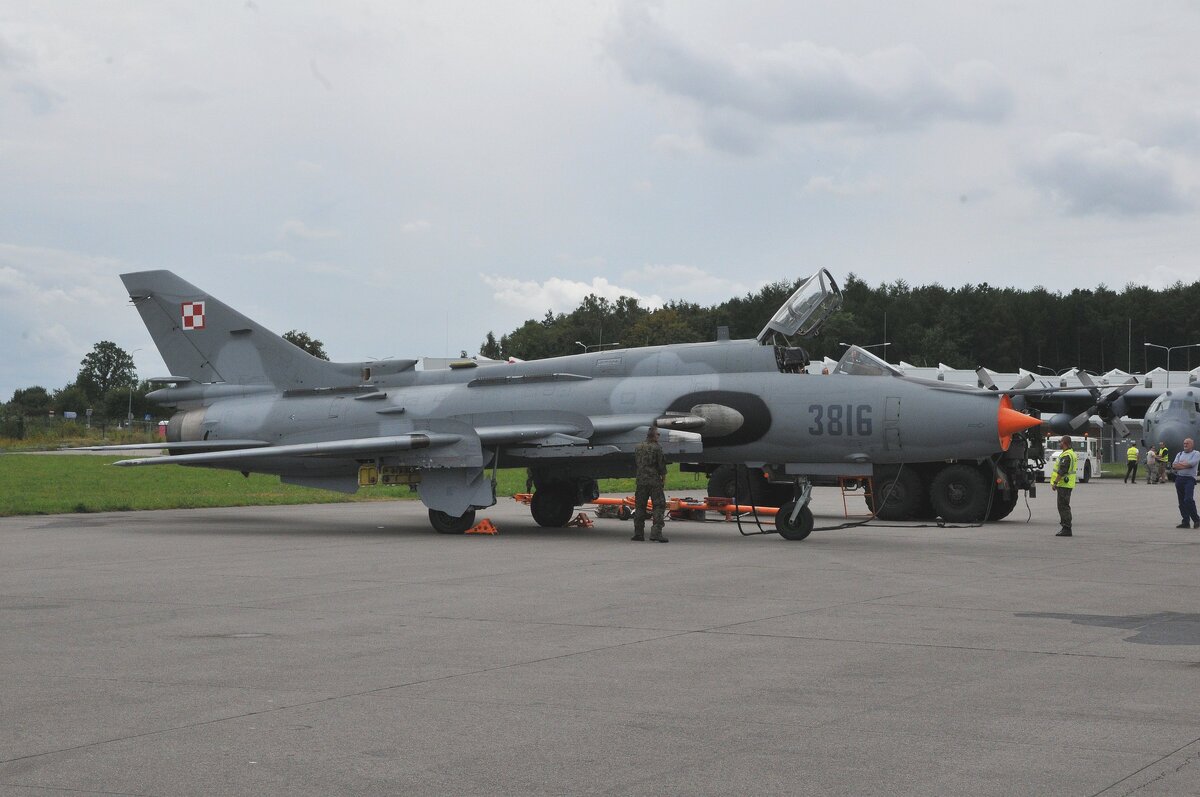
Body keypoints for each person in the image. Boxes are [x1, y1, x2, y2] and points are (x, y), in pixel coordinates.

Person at [632, 426, 668, 542]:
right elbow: (661, 465)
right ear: (654, 435)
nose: (659, 436)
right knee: (658, 506)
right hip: (654, 481)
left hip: (641, 481)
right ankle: (656, 533)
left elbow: (637, 462)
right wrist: (663, 478)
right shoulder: (656, 448)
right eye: (658, 434)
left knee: (640, 507)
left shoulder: (638, 447)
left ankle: (638, 533)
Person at [1049, 435, 1077, 536]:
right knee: (1064, 506)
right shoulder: (1070, 453)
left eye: (1060, 442)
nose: (1059, 443)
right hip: (1066, 484)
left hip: (1064, 484)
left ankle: (1066, 528)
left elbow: (1062, 471)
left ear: (1064, 443)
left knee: (1063, 506)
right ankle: (1066, 527)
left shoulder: (1067, 455)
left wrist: (1055, 482)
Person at [1171, 438, 1200, 528]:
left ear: (1192, 444)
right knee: (1181, 502)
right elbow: (1174, 465)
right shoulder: (1179, 454)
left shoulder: (1196, 453)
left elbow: (1191, 464)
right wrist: (1184, 465)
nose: (1185, 445)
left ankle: (1196, 520)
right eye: (1184, 443)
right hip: (1179, 478)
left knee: (1188, 499)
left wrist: (1181, 465)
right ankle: (1185, 522)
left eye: (1187, 443)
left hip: (1189, 479)